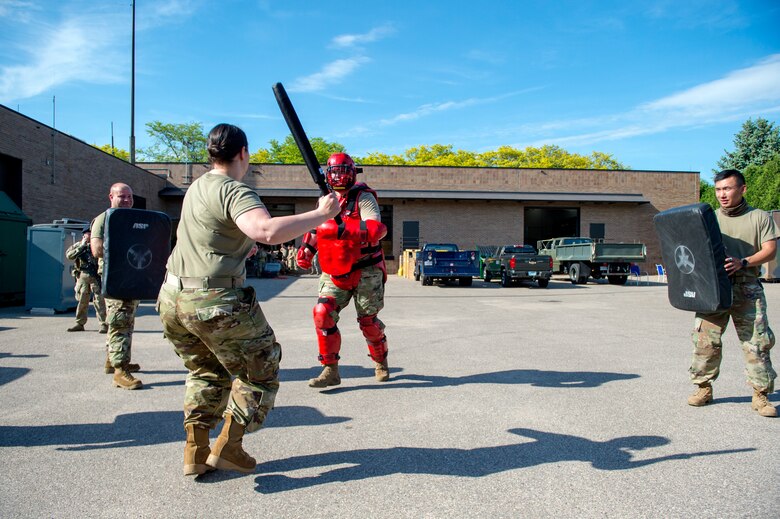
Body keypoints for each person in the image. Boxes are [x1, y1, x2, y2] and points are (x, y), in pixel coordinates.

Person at [156, 123, 339, 476]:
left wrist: (240, 245)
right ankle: (229, 447)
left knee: (205, 371)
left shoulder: (197, 186)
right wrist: (321, 214)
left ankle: (195, 451)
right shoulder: (235, 190)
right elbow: (266, 231)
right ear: (243, 153)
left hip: (172, 297)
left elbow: (214, 233)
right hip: (214, 300)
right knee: (261, 370)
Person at [687, 169, 778, 417]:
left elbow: (770, 251)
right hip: (713, 287)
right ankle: (703, 388)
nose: (722, 195)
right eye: (718, 190)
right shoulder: (709, 218)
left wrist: (744, 261)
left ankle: (761, 395)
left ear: (742, 189)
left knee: (756, 342)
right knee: (705, 340)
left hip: (747, 287)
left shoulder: (758, 218)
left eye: (727, 188)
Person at [297, 152, 390, 388]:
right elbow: (319, 228)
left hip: (365, 269)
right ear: (328, 175)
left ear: (352, 172)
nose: (338, 176)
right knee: (322, 313)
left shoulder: (363, 197)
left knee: (368, 322)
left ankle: (380, 361)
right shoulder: (326, 199)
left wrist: (340, 228)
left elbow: (376, 229)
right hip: (334, 269)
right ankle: (330, 370)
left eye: (343, 170)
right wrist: (307, 248)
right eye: (334, 171)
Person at [91, 183, 142, 389]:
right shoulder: (104, 219)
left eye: (130, 197)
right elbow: (96, 249)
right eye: (122, 196)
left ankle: (112, 361)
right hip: (115, 278)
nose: (127, 200)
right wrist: (123, 252)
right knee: (120, 320)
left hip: (132, 277)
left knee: (123, 320)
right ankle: (120, 371)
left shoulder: (133, 219)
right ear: (110, 196)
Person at [65, 229, 107, 333]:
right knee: (82, 300)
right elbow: (69, 256)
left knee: (99, 301)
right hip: (83, 275)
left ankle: (103, 324)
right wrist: (82, 246)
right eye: (87, 234)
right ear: (84, 235)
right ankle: (79, 323)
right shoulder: (79, 245)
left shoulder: (97, 245)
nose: (89, 236)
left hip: (96, 275)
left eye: (91, 234)